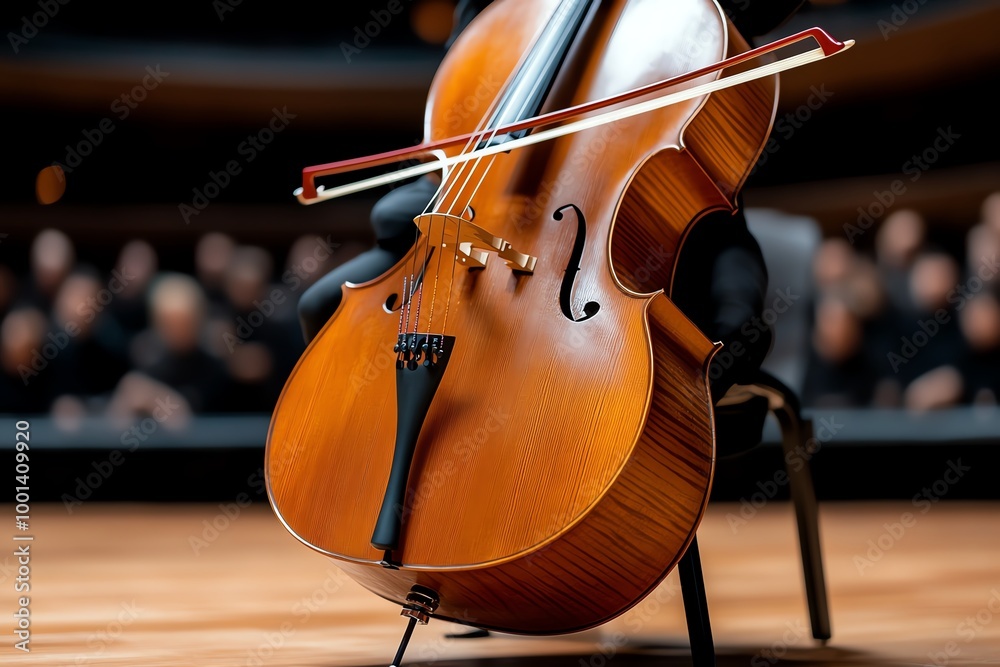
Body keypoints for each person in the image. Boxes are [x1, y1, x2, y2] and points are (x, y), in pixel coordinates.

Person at [299, 0, 806, 407]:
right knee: (324, 307)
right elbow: (470, 70)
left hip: (644, 200)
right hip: (491, 190)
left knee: (726, 329)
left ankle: (639, 507)